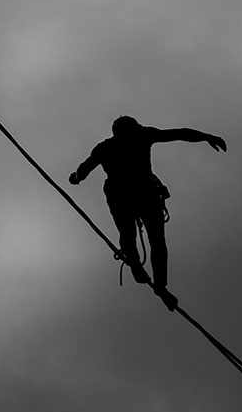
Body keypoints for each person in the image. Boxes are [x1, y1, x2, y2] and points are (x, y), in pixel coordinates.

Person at [68, 116, 226, 310]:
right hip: (135, 193)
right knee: (149, 238)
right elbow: (178, 133)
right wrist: (207, 137)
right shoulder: (136, 137)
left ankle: (150, 276)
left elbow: (85, 167)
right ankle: (151, 277)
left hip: (132, 193)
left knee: (139, 236)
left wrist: (76, 178)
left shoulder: (113, 145)